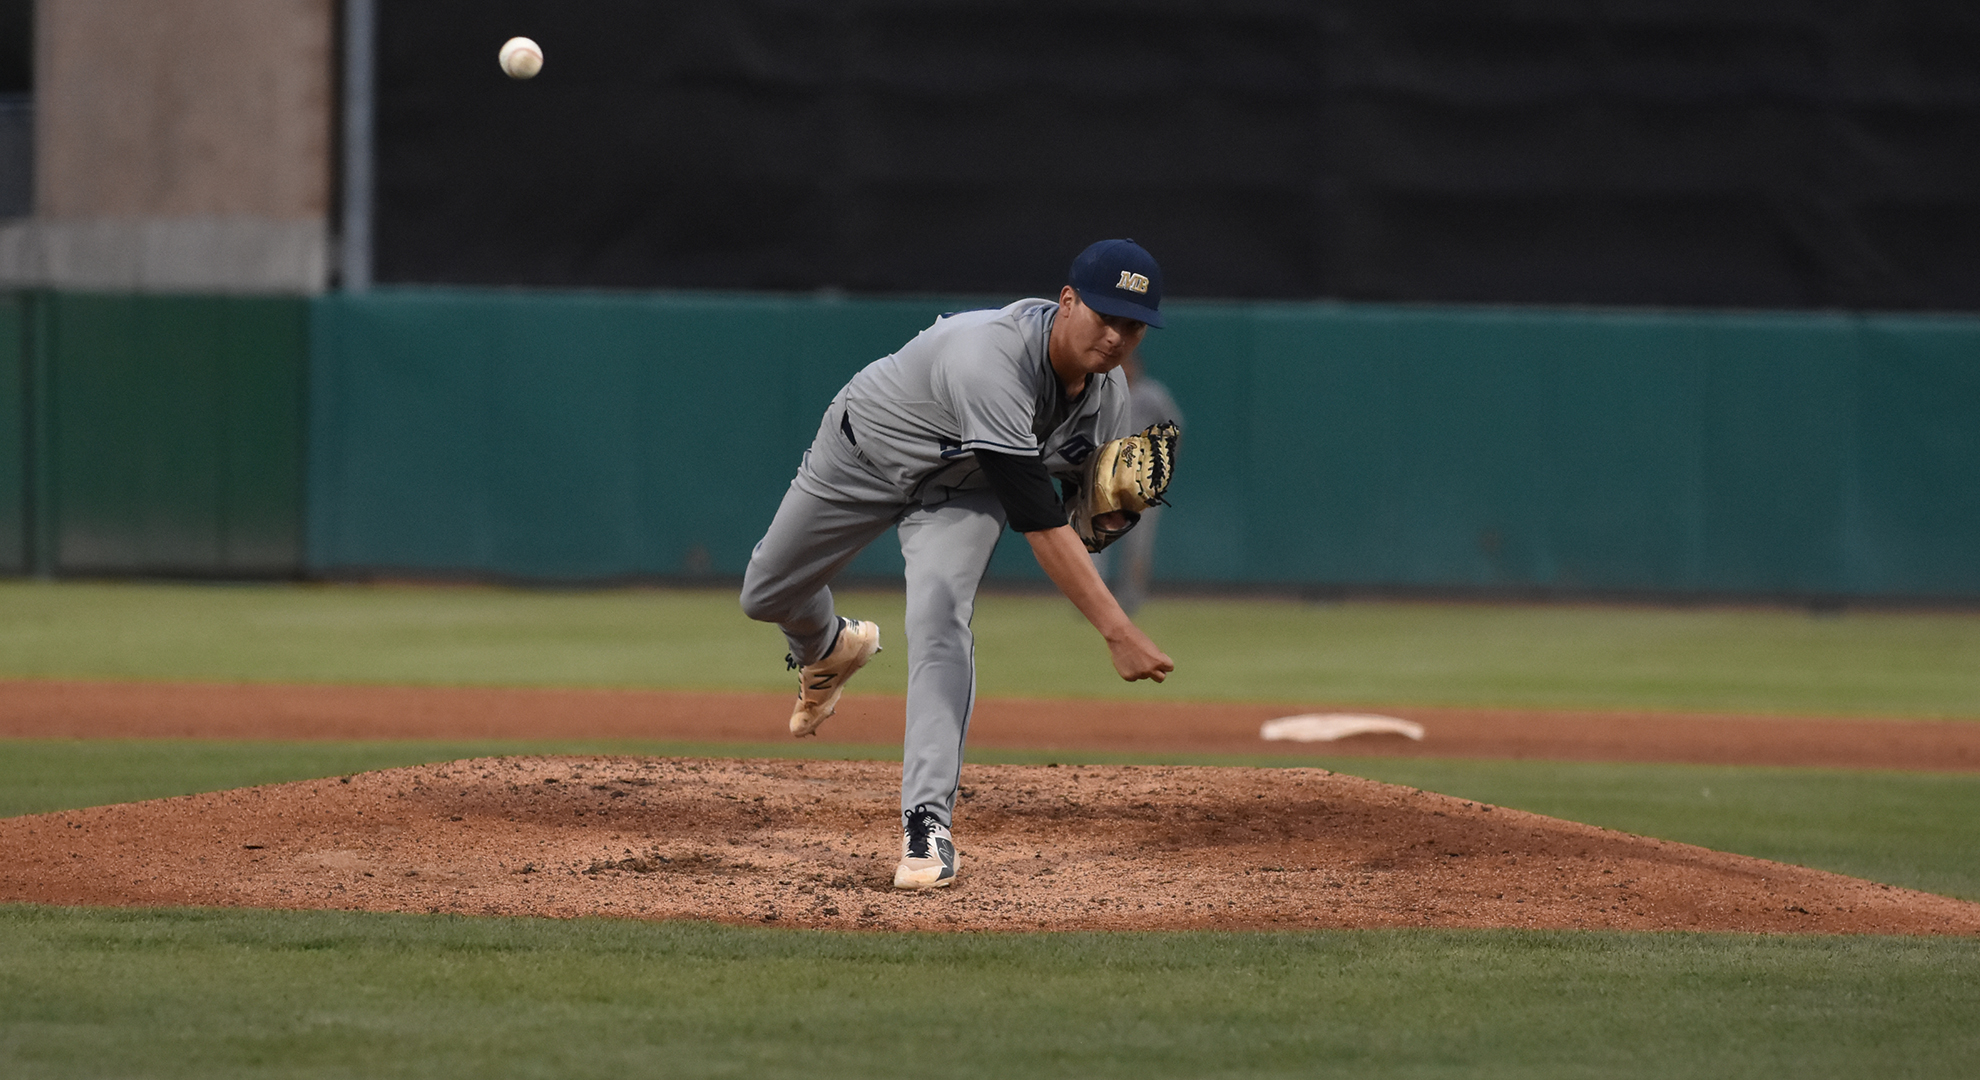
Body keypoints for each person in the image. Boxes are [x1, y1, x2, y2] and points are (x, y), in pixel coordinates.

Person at [739, 239, 1175, 890]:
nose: (1115, 337)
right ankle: (827, 645)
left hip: (960, 492)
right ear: (1067, 301)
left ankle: (928, 825)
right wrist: (1118, 628)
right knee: (766, 594)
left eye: (1132, 325)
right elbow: (1039, 522)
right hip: (863, 457)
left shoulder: (1108, 398)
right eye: (1104, 315)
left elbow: (1080, 521)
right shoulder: (990, 358)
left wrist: (1111, 514)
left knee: (941, 614)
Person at [1092, 353, 1183, 614]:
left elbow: (1174, 428)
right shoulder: (1101, 391)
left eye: (1128, 364)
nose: (1125, 369)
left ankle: (1132, 598)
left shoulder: (1153, 394)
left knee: (1137, 546)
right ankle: (1094, 598)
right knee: (1096, 541)